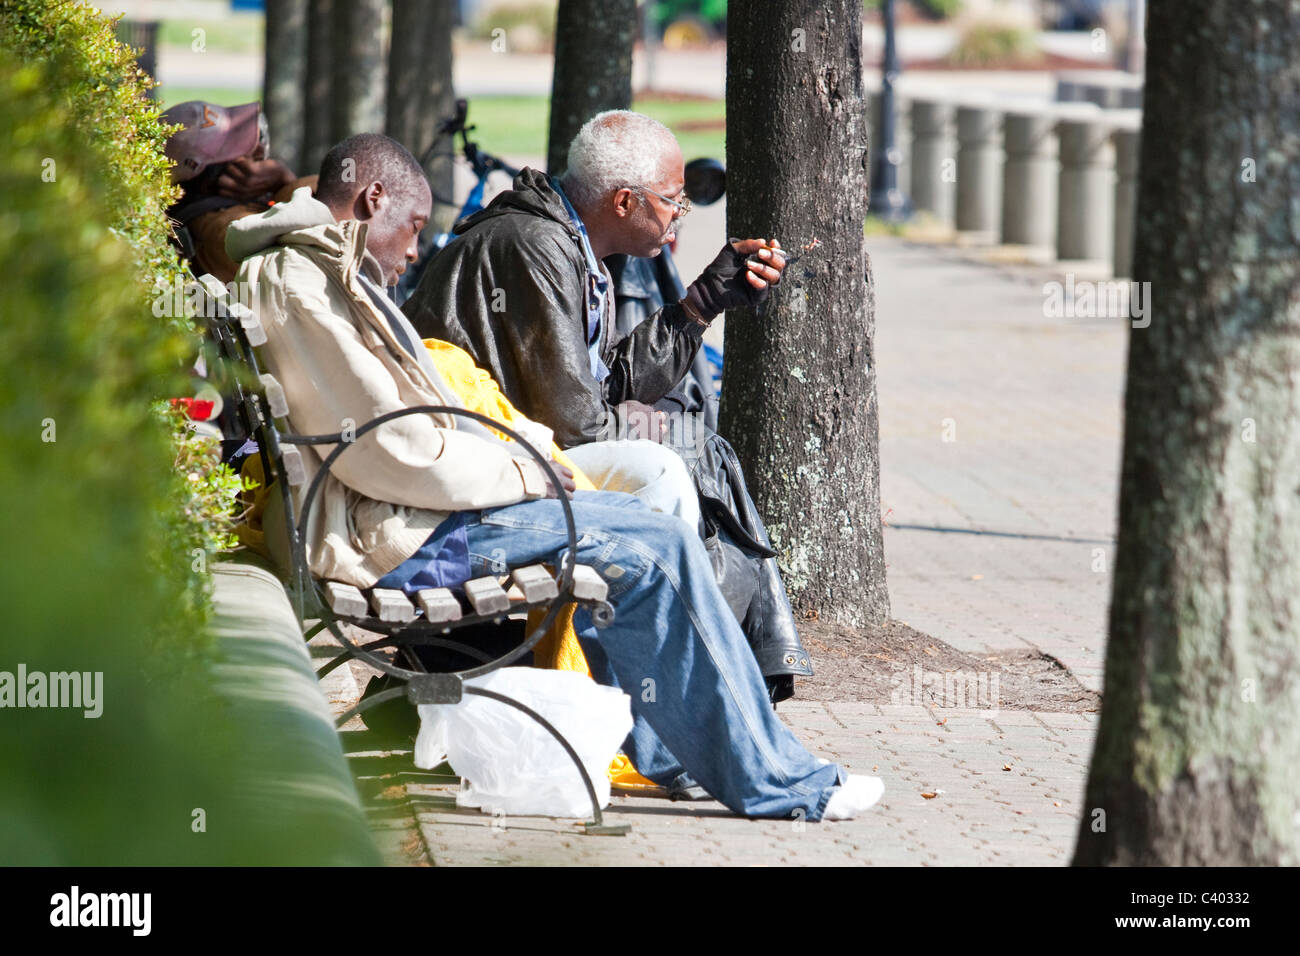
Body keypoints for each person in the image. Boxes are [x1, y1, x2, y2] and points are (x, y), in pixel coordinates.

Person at [224, 132, 883, 821]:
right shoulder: (304, 282)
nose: (416, 249)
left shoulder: (318, 272)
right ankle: (782, 783)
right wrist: (527, 470)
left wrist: (530, 458)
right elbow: (398, 451)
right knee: (650, 550)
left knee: (657, 535)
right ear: (373, 197)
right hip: (399, 536)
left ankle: (712, 759)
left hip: (408, 517)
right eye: (414, 227)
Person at [402, 110, 814, 699]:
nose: (679, 215)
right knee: (671, 463)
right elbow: (577, 424)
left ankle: (696, 674)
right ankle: (664, 687)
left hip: (512, 457)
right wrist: (651, 427)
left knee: (697, 446)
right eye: (674, 201)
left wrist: (701, 303)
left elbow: (598, 390)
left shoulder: (570, 243)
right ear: (624, 202)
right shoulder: (535, 246)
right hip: (475, 480)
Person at [163, 100, 311, 283]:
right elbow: (311, 263)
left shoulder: (217, 218)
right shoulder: (229, 231)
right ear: (210, 180)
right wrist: (288, 184)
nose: (259, 151)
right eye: (243, 148)